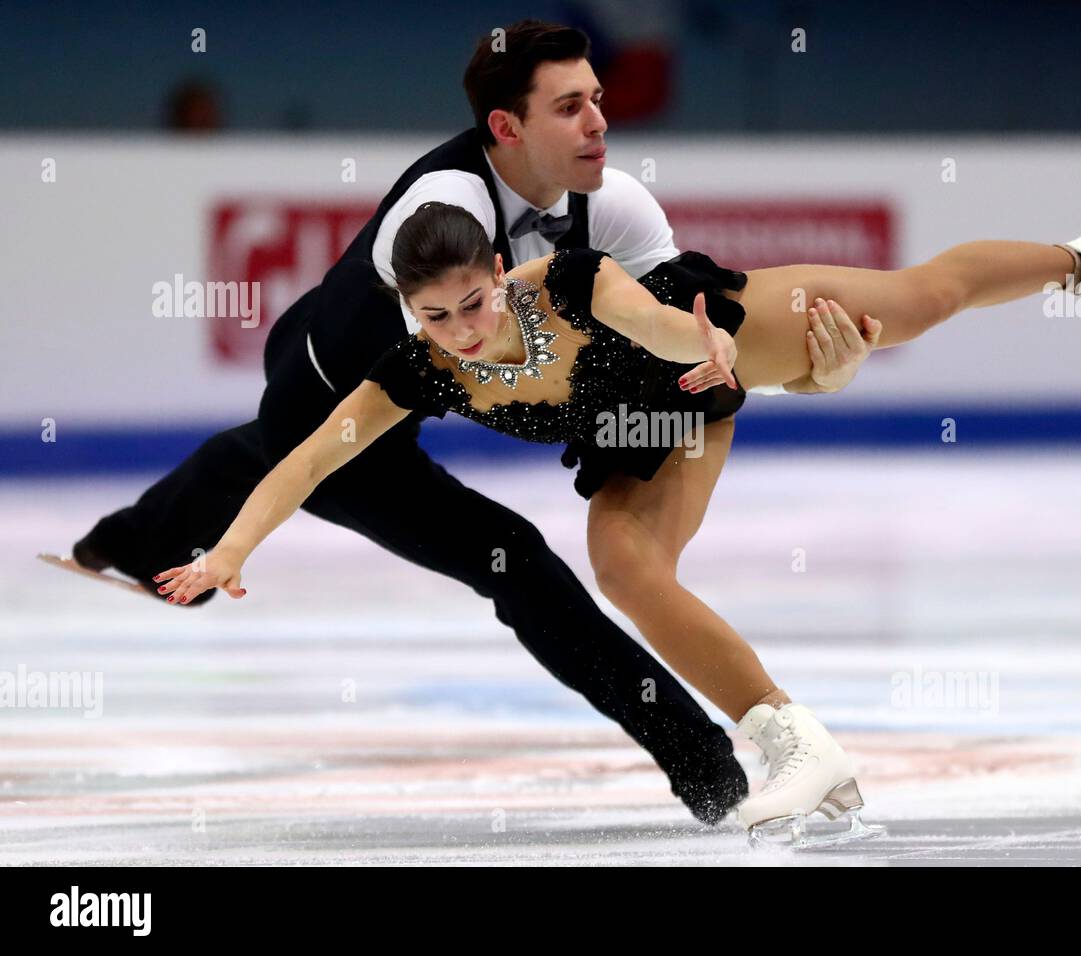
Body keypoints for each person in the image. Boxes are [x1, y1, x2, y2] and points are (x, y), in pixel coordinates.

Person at [153, 199, 1081, 842]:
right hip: (640, 428)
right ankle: (796, 741)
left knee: (907, 306)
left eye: (475, 302)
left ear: (502, 271)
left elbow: (657, 326)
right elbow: (307, 455)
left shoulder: (569, 285)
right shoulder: (419, 367)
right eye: (435, 316)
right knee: (621, 560)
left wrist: (717, 349)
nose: (463, 330)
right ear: (408, 312)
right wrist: (229, 551)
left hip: (694, 344)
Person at [68, 21, 872, 828]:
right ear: (507, 127)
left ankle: (125, 542)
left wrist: (803, 378)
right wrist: (235, 552)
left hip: (330, 369)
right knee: (507, 557)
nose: (596, 124)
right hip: (330, 408)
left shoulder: (589, 210)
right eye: (571, 107)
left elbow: (674, 341)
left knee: (251, 454)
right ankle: (706, 766)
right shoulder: (443, 232)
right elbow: (320, 452)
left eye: (595, 102)